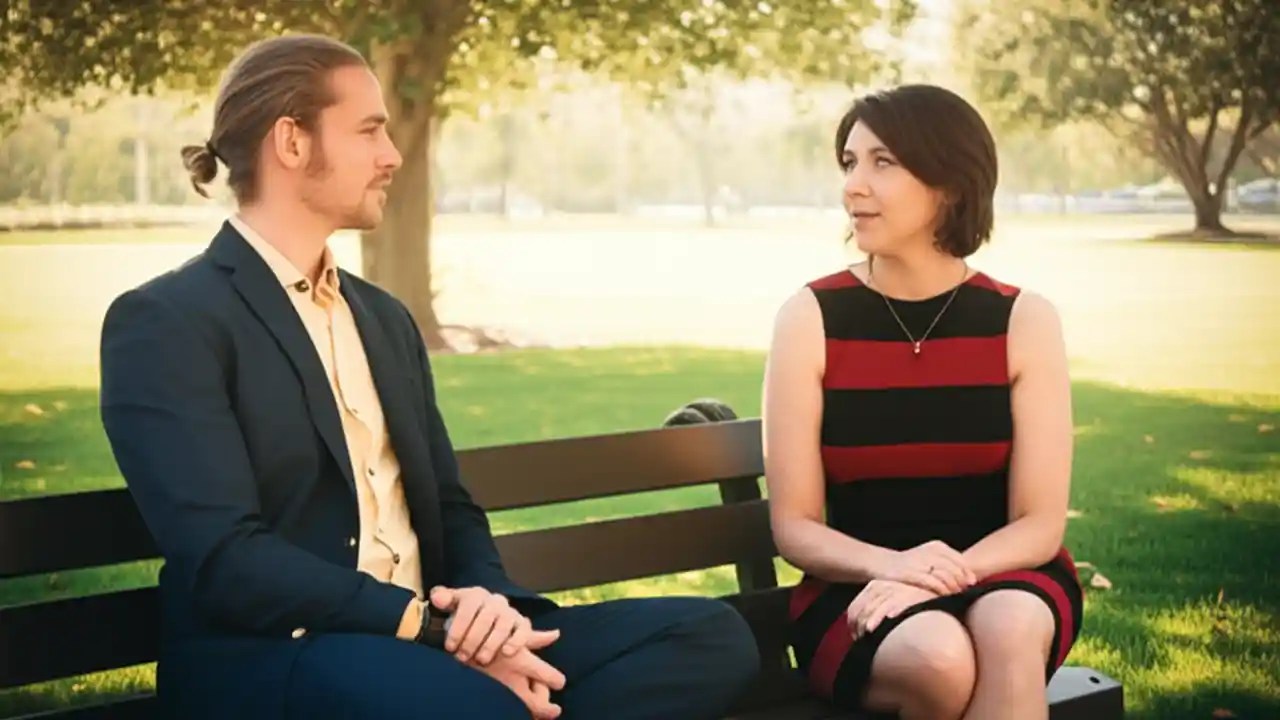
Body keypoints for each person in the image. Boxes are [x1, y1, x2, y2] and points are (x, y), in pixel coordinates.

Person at [99, 33, 758, 720]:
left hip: (436, 644)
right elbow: (228, 561)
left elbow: (448, 506)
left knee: (709, 637)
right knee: (479, 709)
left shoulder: (382, 318)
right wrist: (424, 625)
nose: (393, 156)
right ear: (292, 142)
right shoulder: (167, 322)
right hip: (282, 659)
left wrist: (482, 610)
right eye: (369, 131)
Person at [762, 84, 1084, 720]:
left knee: (1011, 628)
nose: (854, 185)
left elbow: (1039, 523)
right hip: (856, 581)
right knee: (937, 659)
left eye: (883, 162)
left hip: (1005, 567)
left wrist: (944, 572)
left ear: (952, 183)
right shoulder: (811, 317)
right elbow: (794, 526)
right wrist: (897, 569)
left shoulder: (1023, 319)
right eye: (850, 163)